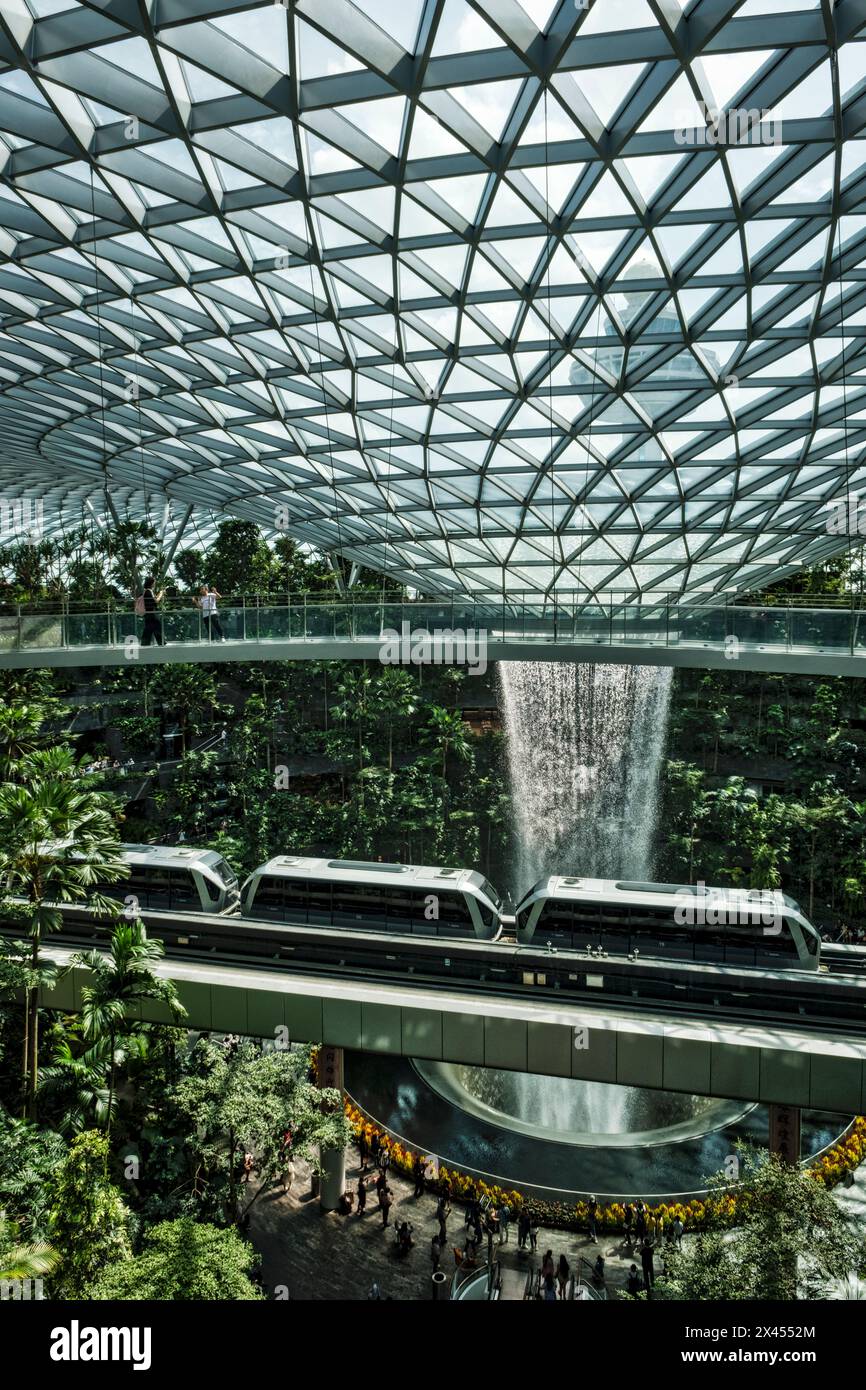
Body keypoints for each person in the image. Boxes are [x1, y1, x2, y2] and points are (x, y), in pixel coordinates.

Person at [139, 576, 165, 647]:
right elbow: (155, 601)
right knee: (156, 626)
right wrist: (161, 594)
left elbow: (152, 600)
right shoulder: (148, 591)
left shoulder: (147, 591)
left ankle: (145, 643)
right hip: (151, 613)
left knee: (149, 628)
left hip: (149, 614)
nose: (155, 584)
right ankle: (161, 642)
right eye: (154, 582)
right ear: (151, 583)